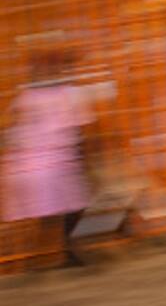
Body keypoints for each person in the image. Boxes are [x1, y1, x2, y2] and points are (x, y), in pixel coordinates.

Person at [2, 49, 96, 269]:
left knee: (56, 208)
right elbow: (83, 131)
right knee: (71, 204)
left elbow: (10, 127)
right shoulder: (69, 93)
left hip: (28, 163)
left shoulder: (26, 96)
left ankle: (53, 251)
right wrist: (87, 160)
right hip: (54, 161)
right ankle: (62, 249)